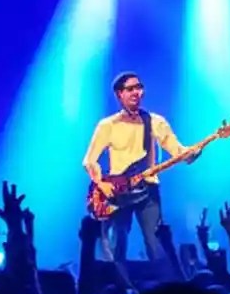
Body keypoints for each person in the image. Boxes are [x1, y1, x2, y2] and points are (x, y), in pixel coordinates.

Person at [82, 71, 200, 262]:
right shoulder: (107, 125)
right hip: (118, 191)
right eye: (130, 89)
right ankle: (123, 286)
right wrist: (101, 184)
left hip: (148, 188)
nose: (137, 92)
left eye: (139, 87)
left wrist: (191, 154)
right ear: (119, 94)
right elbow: (89, 161)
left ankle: (165, 284)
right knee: (118, 243)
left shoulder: (155, 122)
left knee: (155, 240)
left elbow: (178, 151)